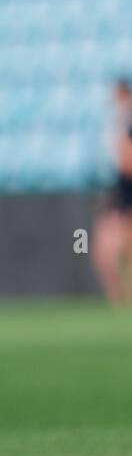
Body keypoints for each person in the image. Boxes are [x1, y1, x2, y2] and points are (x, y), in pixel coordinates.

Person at [92, 79, 132, 304]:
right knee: (105, 254)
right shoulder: (117, 125)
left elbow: (126, 163)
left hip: (126, 197)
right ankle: (120, 303)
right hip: (118, 195)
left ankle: (122, 303)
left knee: (115, 253)